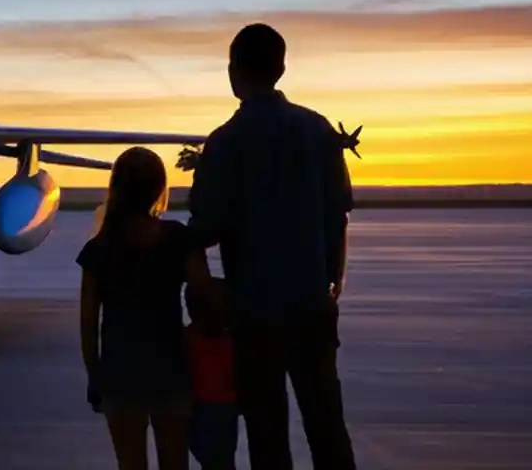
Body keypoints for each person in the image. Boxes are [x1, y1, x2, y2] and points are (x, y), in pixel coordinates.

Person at [188, 23, 356, 470]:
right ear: (281, 67)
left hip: (255, 315)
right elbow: (339, 215)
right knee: (327, 426)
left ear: (234, 71)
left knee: (267, 437)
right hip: (312, 307)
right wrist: (332, 285)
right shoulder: (319, 131)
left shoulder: (225, 143)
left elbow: (203, 226)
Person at [79, 147, 214, 470]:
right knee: (175, 462)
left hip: (120, 371)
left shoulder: (99, 249)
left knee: (130, 464)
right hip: (170, 368)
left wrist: (95, 374)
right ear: (158, 188)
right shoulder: (177, 239)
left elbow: (87, 323)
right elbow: (204, 296)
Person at [185, 279, 238, 470]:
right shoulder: (232, 342)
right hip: (225, 409)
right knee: (223, 460)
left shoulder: (188, 339)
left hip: (200, 409)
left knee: (211, 459)